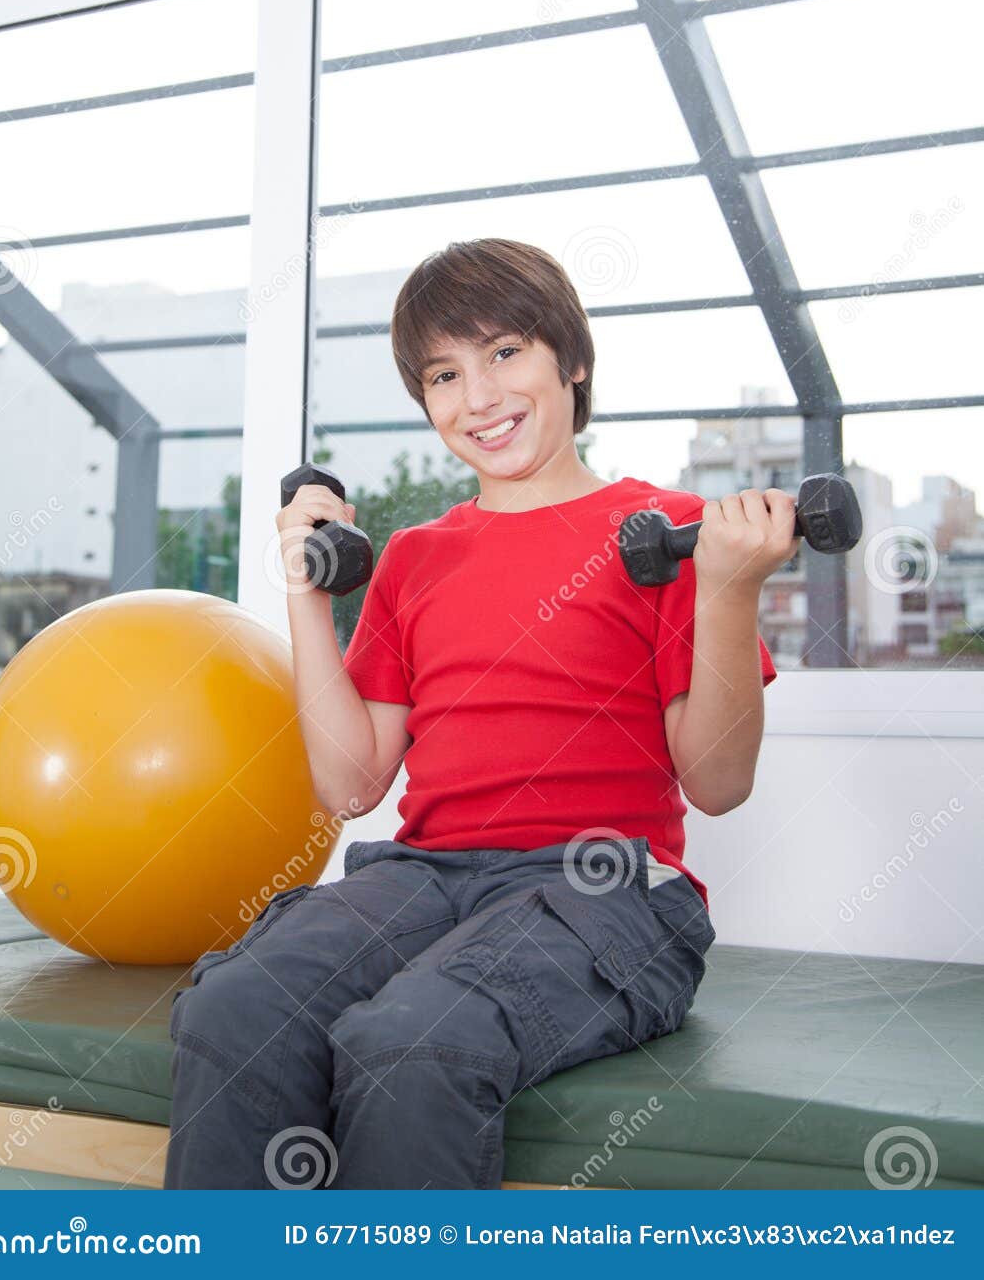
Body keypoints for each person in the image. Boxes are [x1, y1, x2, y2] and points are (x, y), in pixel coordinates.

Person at [164, 237, 796, 1190]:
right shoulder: (416, 558)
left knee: (410, 1039)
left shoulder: (669, 534)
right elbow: (349, 783)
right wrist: (305, 591)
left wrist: (729, 590)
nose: (480, 397)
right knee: (234, 1009)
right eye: (445, 374)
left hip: (604, 886)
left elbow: (717, 782)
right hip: (424, 878)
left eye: (505, 353)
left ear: (570, 361)